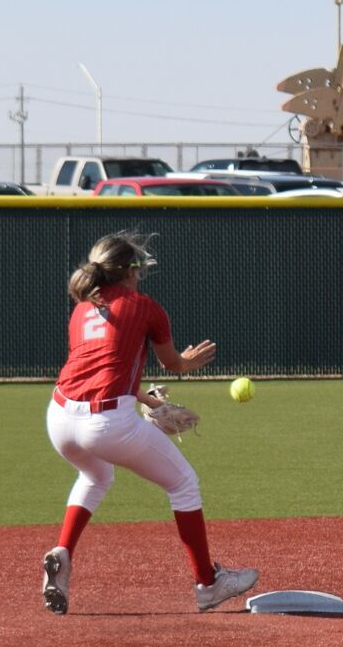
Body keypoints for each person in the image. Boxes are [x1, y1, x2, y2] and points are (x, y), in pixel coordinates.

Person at [41, 231, 258, 615]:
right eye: (139, 267)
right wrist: (188, 362)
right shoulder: (144, 306)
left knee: (96, 476)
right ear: (130, 270)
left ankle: (63, 552)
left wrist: (144, 399)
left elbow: (100, 371)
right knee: (184, 483)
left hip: (60, 418)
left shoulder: (82, 309)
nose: (141, 275)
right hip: (107, 423)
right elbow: (172, 363)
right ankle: (208, 584)